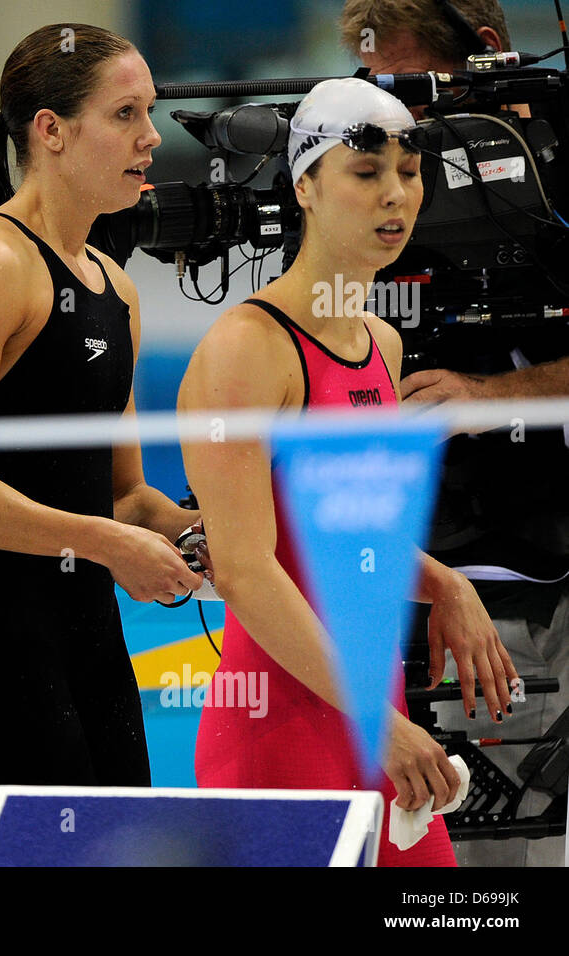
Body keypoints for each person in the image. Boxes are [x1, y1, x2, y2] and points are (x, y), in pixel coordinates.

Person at [179, 77, 519, 866]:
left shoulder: (380, 344)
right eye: (366, 175)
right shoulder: (249, 350)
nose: (395, 196)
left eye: (408, 172)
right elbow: (242, 570)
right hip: (281, 735)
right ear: (304, 185)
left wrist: (444, 583)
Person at [0, 23, 203, 814]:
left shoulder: (116, 288)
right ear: (52, 131)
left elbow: (125, 495)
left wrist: (202, 534)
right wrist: (106, 542)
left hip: (86, 631)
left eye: (152, 112)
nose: (151, 137)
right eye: (126, 114)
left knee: (119, 847)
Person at [342, 0, 569, 867]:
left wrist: (491, 391)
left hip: (529, 557)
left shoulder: (554, 182)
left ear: (482, 57)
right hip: (417, 568)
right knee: (442, 847)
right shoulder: (364, 190)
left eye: (407, 86)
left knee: (514, 848)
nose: (392, 118)